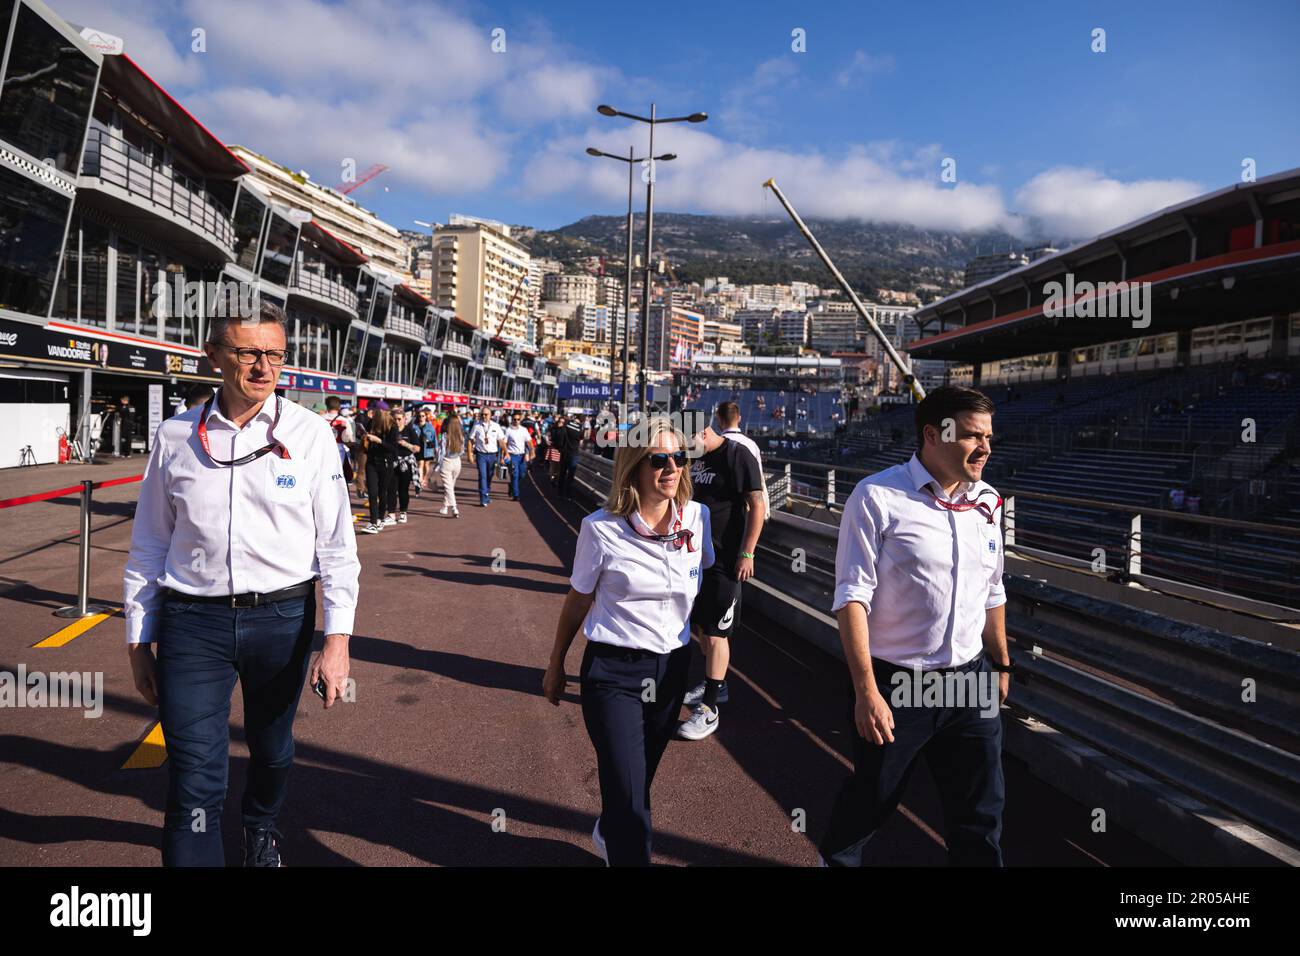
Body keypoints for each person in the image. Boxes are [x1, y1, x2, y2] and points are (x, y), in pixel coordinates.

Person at [122, 301, 359, 867]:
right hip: (192, 624)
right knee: (195, 777)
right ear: (213, 357)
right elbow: (150, 543)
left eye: (274, 354)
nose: (263, 366)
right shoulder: (176, 436)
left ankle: (260, 825)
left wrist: (337, 640)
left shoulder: (310, 435)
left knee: (272, 750)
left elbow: (337, 547)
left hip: (282, 620)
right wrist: (137, 639)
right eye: (248, 352)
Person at [819, 386, 1010, 867]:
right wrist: (866, 691)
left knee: (981, 812)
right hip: (897, 682)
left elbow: (993, 590)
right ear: (933, 434)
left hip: (971, 682)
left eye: (988, 436)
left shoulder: (988, 500)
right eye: (972, 436)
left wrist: (1001, 664)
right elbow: (851, 598)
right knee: (873, 798)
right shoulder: (877, 496)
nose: (986, 447)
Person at [542, 418, 712, 866]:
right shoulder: (601, 529)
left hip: (672, 670)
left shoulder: (698, 517)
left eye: (679, 458)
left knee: (637, 783)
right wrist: (556, 663)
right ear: (634, 467)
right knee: (631, 795)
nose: (672, 468)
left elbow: (706, 575)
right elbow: (578, 601)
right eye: (659, 460)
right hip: (613, 673)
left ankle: (610, 827)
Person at [677, 418, 765, 741]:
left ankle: (710, 709)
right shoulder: (696, 455)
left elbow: (756, 505)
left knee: (716, 633)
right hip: (696, 556)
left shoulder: (737, 454)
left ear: (703, 432)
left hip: (726, 559)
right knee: (700, 627)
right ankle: (718, 683)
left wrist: (748, 553)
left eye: (691, 442)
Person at [359, 406, 397, 533]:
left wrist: (379, 440)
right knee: (373, 492)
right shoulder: (371, 423)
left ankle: (380, 518)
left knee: (382, 492)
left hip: (386, 463)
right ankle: (373, 522)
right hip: (372, 462)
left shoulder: (392, 426)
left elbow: (393, 448)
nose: (373, 413)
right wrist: (365, 437)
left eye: (376, 411)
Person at [467, 407, 506, 507]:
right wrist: (470, 454)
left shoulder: (496, 426)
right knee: (482, 476)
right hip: (481, 454)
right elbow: (470, 440)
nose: (484, 416)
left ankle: (487, 492)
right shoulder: (476, 425)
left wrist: (506, 452)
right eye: (482, 414)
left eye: (486, 414)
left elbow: (501, 441)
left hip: (493, 455)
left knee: (489, 475)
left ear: (490, 415)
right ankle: (483, 498)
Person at [390, 408, 421, 520]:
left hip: (406, 463)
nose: (397, 421)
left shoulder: (409, 431)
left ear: (404, 419)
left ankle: (403, 512)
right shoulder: (390, 430)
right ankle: (391, 513)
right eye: (395, 419)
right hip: (393, 462)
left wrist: (404, 443)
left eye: (399, 419)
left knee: (403, 489)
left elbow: (417, 448)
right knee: (391, 489)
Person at [438, 413, 466, 517]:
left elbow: (441, 452)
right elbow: (462, 451)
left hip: (446, 461)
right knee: (450, 486)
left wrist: (437, 464)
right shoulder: (461, 436)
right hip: (457, 461)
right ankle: (445, 507)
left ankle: (454, 508)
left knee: (448, 487)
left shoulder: (445, 436)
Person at [503, 413, 534, 501]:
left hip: (522, 456)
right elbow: (504, 443)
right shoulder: (508, 430)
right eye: (514, 419)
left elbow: (529, 441)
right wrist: (504, 455)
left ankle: (511, 485)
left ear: (520, 420)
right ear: (512, 420)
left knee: (522, 475)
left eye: (518, 419)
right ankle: (516, 495)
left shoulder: (524, 430)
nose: (516, 421)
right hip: (512, 456)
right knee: (515, 475)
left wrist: (532, 451)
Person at [416, 408, 439, 491]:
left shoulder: (430, 426)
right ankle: (421, 481)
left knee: (426, 465)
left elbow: (434, 438)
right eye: (419, 416)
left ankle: (425, 478)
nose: (421, 417)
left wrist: (436, 448)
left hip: (428, 448)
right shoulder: (414, 426)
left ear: (426, 417)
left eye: (423, 416)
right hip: (418, 447)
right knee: (420, 464)